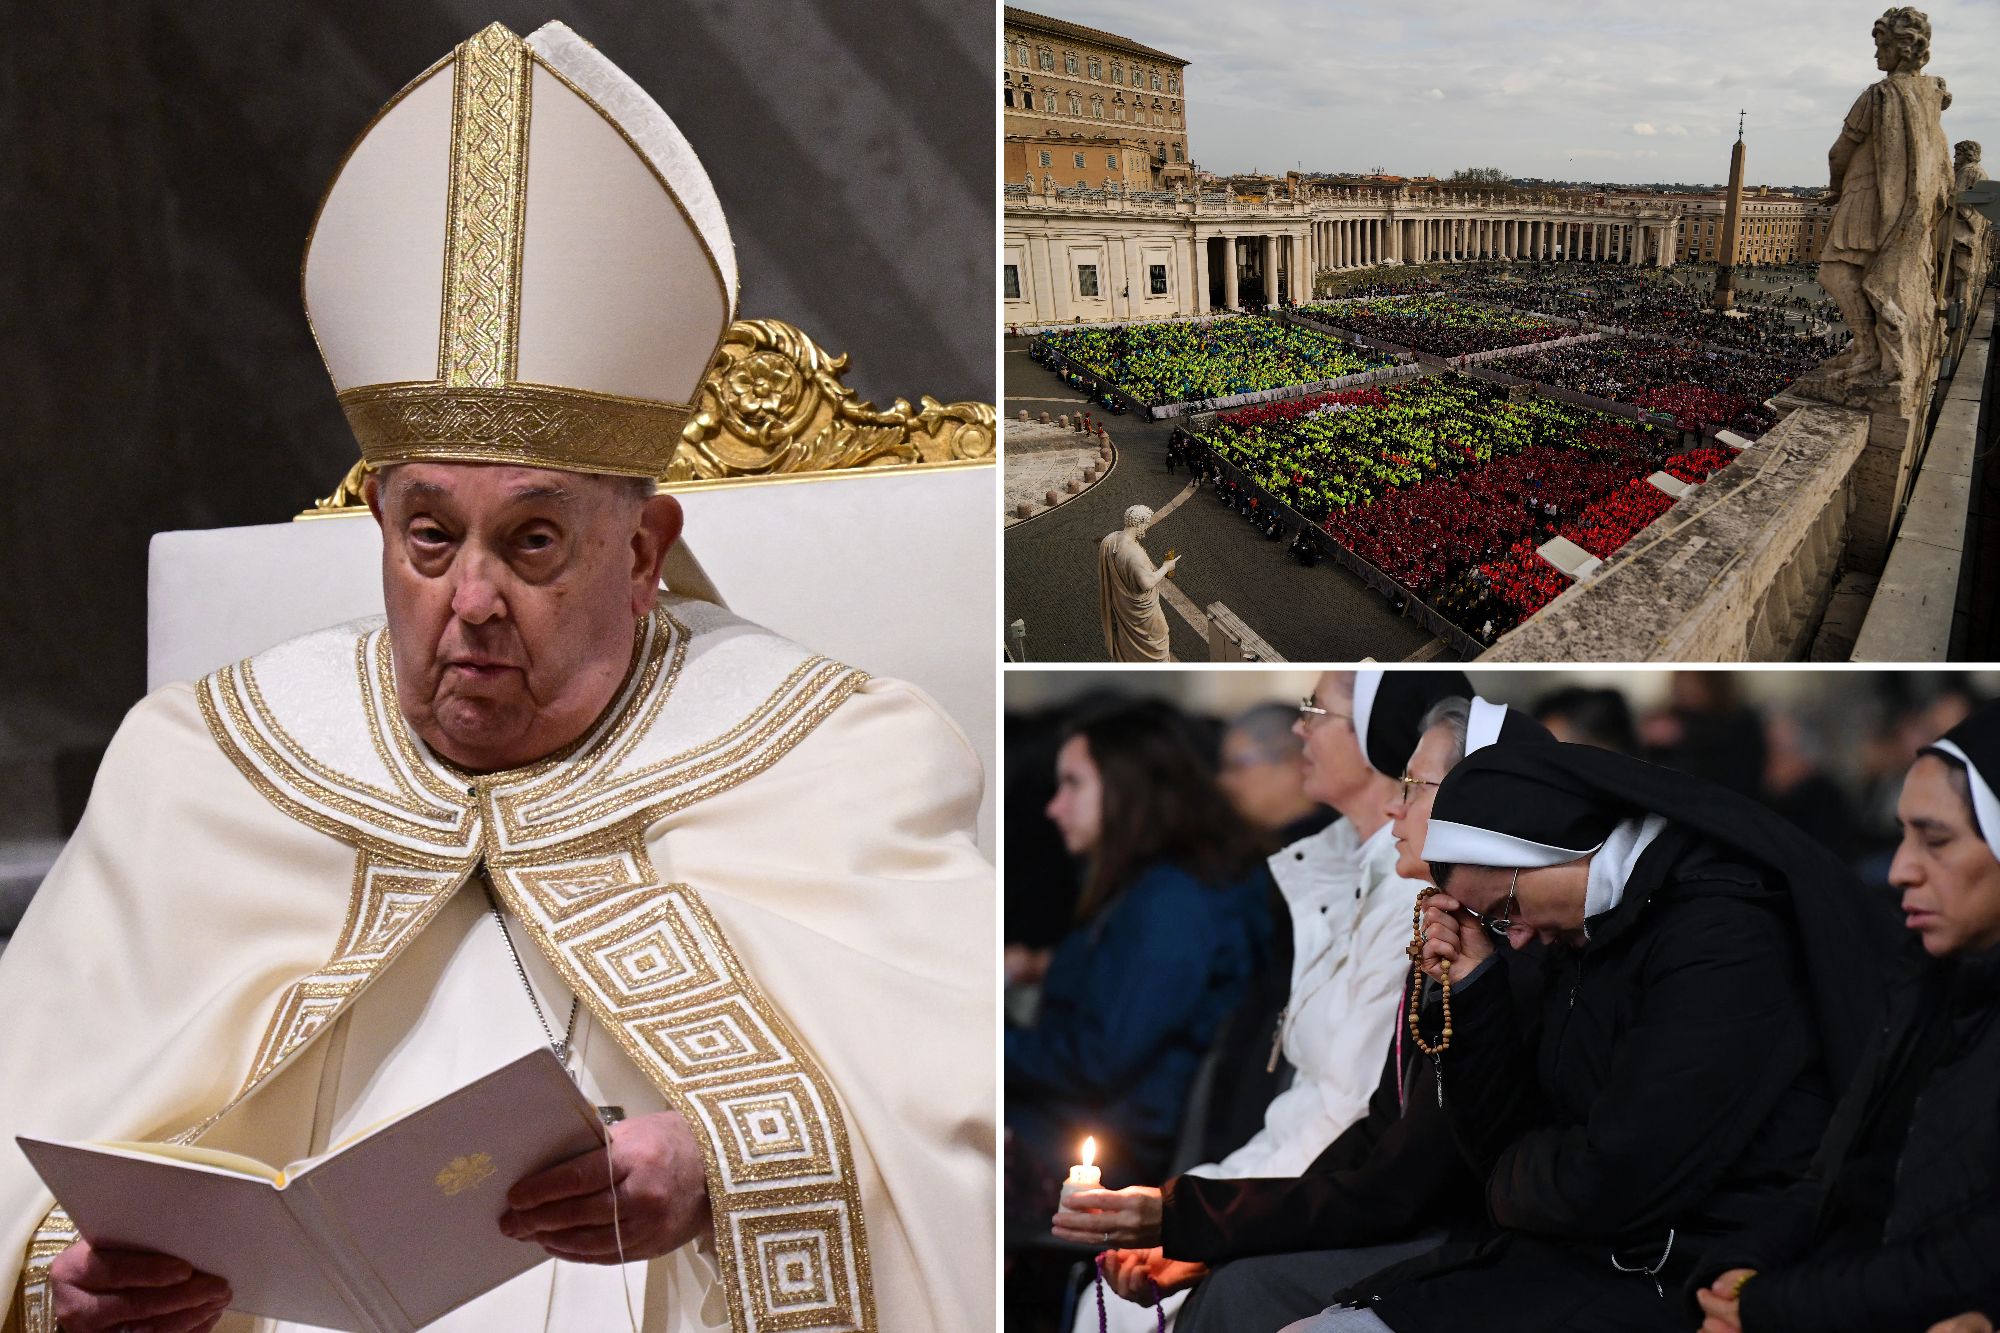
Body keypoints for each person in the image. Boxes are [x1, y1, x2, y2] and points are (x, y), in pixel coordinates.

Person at [0, 22, 993, 1333]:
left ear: (643, 551)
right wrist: (72, 1272)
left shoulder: (833, 749)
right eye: (429, 537)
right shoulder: (202, 758)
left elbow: (967, 1118)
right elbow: (36, 1128)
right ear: (378, 525)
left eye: (532, 542)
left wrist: (724, 1173)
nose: (469, 603)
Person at [1285, 738, 1887, 1333]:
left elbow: (1622, 1173)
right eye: (1494, 922)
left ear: (1551, 852)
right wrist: (1475, 987)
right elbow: (1510, 1141)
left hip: (1676, 1273)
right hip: (1580, 1255)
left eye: (1505, 909)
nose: (1512, 937)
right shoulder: (1581, 927)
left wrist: (1512, 1176)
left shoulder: (1725, 936)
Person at [1056, 671, 1464, 1332]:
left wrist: (1207, 1220)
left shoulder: (1412, 900)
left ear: (1375, 743)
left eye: (1317, 711)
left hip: (1325, 1182)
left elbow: (1352, 1112)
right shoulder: (1333, 862)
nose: (1298, 726)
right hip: (1286, 1161)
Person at [1689, 702, 2000, 1333]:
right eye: (1904, 836)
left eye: (1936, 841)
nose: (1900, 870)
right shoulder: (1921, 981)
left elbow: (1971, 1261)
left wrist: (1765, 1306)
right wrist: (1741, 1268)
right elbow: (1832, 1180)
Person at [1008, 700, 1271, 1203]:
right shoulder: (1154, 887)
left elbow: (1095, 1062)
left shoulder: (1172, 902)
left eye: (1073, 784)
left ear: (1126, 787)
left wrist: (989, 1040)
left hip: (1103, 1148)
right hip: (1079, 1120)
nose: (1053, 806)